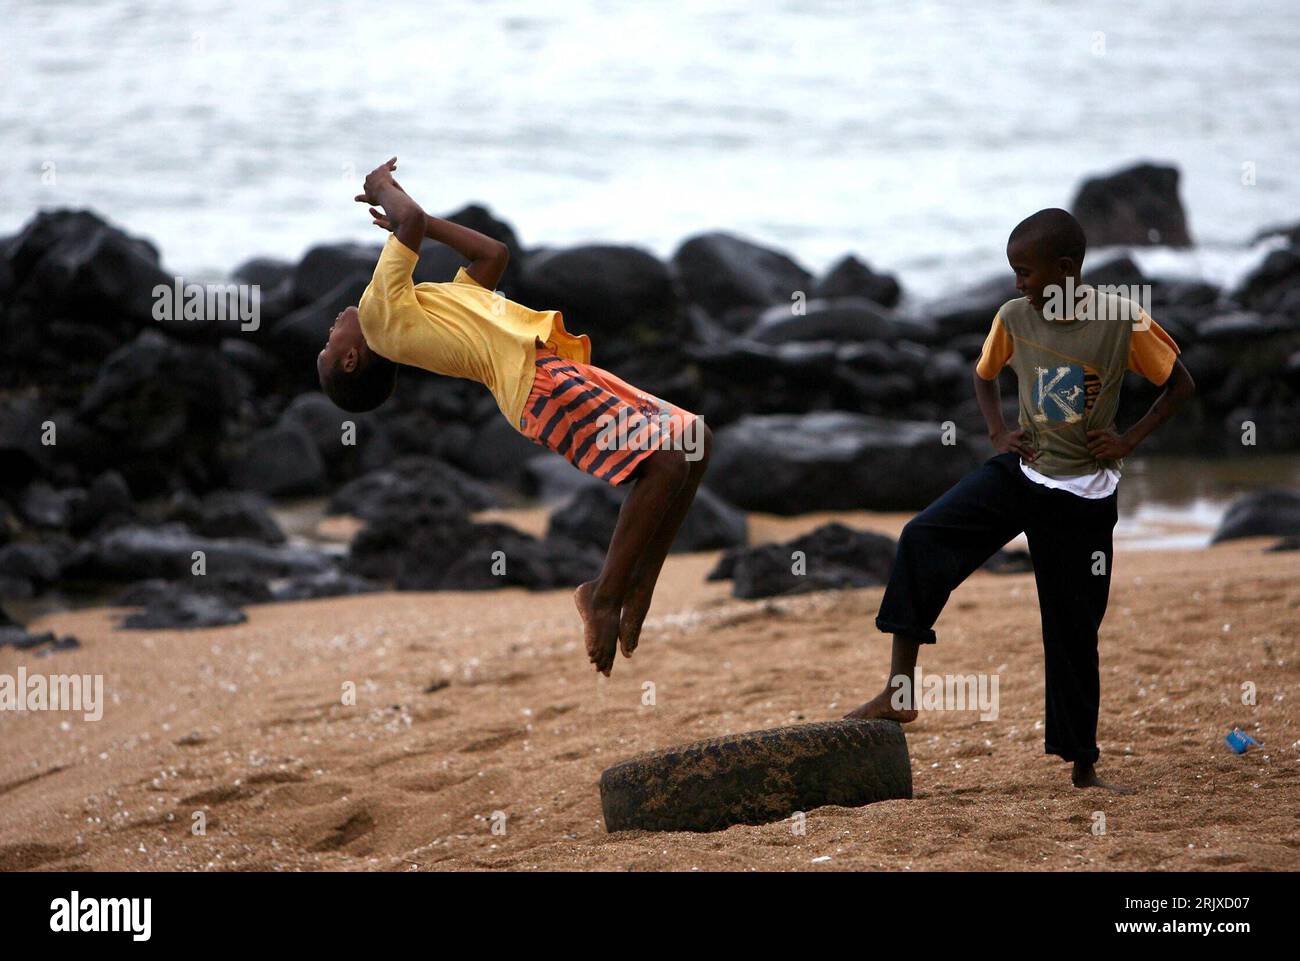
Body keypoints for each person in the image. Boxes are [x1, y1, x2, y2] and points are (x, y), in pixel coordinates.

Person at [845, 208, 1196, 792]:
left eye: (1025, 272)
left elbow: (1180, 383)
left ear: (1065, 269)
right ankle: (898, 692)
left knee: (1073, 629)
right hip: (1023, 471)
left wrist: (1129, 438)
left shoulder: (1118, 319)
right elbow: (985, 375)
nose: (1017, 284)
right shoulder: (1013, 316)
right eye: (1013, 271)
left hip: (1083, 497)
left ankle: (1083, 763)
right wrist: (997, 433)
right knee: (923, 537)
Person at [318, 158, 710, 676]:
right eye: (328, 345)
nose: (330, 329)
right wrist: (383, 188)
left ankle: (637, 582)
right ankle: (602, 594)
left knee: (694, 441)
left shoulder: (423, 306)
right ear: (352, 359)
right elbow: (409, 223)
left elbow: (492, 253)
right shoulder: (379, 314)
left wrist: (421, 220)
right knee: (664, 465)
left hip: (552, 367)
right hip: (535, 386)